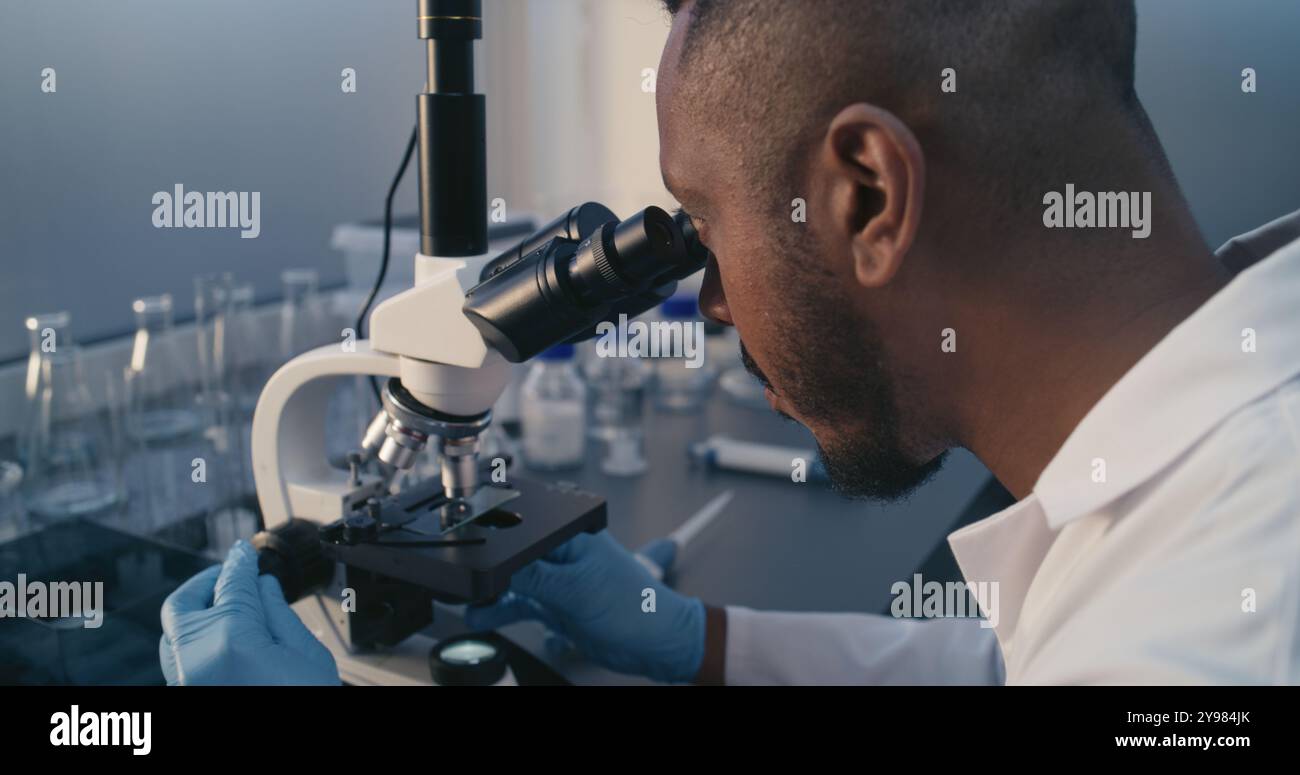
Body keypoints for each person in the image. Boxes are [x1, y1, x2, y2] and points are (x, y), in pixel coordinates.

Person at [161, 0, 1300, 685]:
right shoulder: (1220, 462)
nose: (705, 300)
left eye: (700, 227)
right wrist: (698, 640)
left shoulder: (1204, 644)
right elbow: (1008, 674)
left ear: (864, 197)